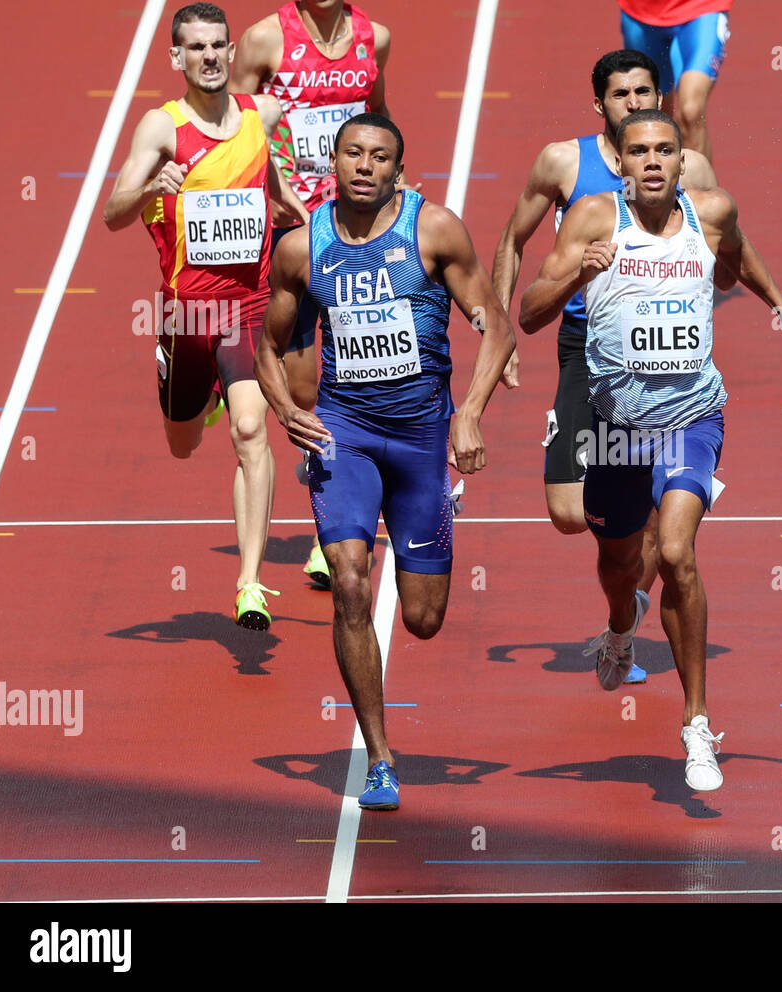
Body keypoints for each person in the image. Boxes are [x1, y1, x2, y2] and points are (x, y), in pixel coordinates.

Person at [519, 109, 782, 792]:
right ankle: (620, 627)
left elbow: (738, 264)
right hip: (615, 426)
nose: (652, 161)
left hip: (692, 417)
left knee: (679, 551)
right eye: (638, 152)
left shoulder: (712, 212)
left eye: (665, 150)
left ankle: (696, 725)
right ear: (620, 163)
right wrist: (577, 274)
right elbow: (531, 312)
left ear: (682, 162)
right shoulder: (595, 220)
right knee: (619, 561)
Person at [256, 113, 513, 810]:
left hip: (423, 436)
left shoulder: (434, 231)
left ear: (399, 170)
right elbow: (269, 344)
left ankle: (433, 512)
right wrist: (286, 410)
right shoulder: (301, 248)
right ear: (333, 164)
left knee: (423, 620)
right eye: (353, 154)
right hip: (344, 432)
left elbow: (496, 324)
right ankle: (379, 756)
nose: (365, 167)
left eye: (380, 158)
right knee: (348, 580)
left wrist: (469, 413)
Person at [494, 49, 717, 684]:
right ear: (601, 104)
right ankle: (628, 582)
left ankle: (625, 613)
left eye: (646, 92)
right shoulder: (565, 162)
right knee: (569, 513)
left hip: (664, 366)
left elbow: (712, 245)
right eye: (622, 95)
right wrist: (501, 331)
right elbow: (513, 240)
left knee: (657, 525)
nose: (635, 104)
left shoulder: (687, 165)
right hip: (583, 348)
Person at [103, 1, 308, 630]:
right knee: (183, 444)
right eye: (197, 48)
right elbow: (112, 211)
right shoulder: (160, 129)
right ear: (177, 57)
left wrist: (308, 216)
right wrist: (149, 189)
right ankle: (199, 394)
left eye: (219, 45)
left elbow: (281, 191)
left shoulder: (262, 115)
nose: (212, 57)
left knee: (253, 431)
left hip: (244, 309)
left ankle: (249, 583)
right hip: (187, 316)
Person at [232, 0, 394, 588]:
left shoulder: (374, 38)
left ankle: (335, 528)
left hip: (359, 222)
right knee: (301, 388)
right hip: (292, 228)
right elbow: (234, 126)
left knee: (360, 367)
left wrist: (395, 183)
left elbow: (380, 116)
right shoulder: (261, 40)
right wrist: (264, 189)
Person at [617, 0, 731, 161]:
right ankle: (664, 184)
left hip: (701, 10)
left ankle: (699, 185)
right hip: (640, 13)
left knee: (691, 113)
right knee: (652, 116)